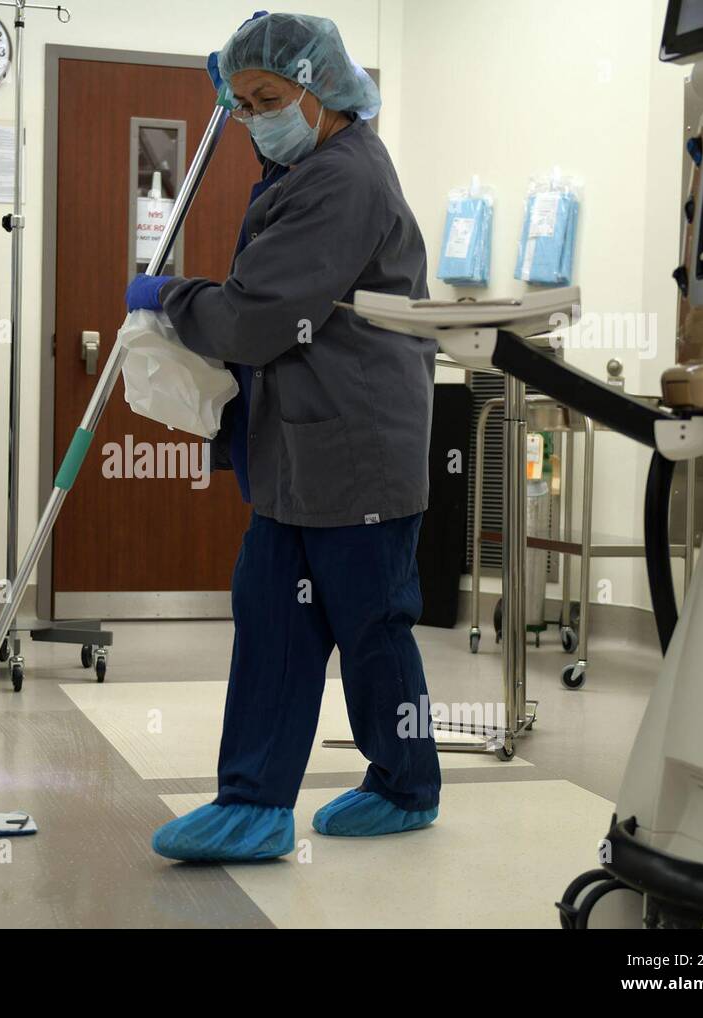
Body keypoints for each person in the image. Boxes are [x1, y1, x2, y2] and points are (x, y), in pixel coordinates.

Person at [125, 12, 442, 863]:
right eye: (242, 103)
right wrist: (232, 86)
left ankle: (407, 784)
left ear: (323, 90)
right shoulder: (301, 167)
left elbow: (265, 315)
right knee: (272, 615)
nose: (254, 117)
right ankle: (256, 803)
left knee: (373, 626)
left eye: (268, 99)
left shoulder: (347, 179)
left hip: (357, 449)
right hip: (298, 447)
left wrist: (172, 300)